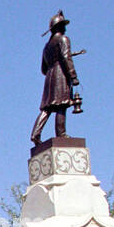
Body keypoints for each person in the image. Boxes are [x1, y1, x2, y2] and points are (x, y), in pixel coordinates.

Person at [31, 10, 80, 145]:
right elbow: (66, 57)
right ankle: (61, 133)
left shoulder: (46, 47)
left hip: (50, 77)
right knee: (61, 105)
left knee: (47, 108)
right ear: (59, 27)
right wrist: (73, 76)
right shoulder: (63, 39)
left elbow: (43, 69)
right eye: (63, 25)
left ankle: (35, 133)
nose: (65, 28)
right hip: (60, 75)